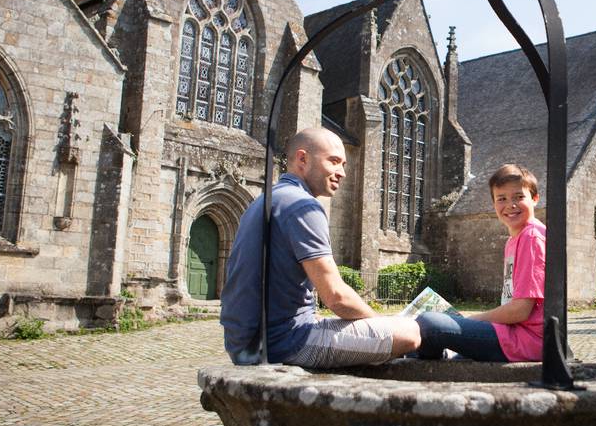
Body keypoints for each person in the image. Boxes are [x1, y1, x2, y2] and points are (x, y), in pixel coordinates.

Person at [221, 127, 420, 367]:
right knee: (412, 333)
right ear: (302, 159)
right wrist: (381, 324)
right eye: (334, 161)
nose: (342, 173)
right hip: (282, 343)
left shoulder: (266, 200)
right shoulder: (304, 206)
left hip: (244, 343)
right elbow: (336, 297)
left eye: (344, 164)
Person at [415, 164, 546, 362]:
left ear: (535, 199)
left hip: (527, 341)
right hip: (511, 334)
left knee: (428, 323)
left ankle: (442, 354)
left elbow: (520, 310)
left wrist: (469, 320)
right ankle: (443, 355)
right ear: (494, 204)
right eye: (502, 199)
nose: (511, 204)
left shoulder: (532, 237)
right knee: (416, 337)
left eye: (519, 197)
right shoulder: (515, 239)